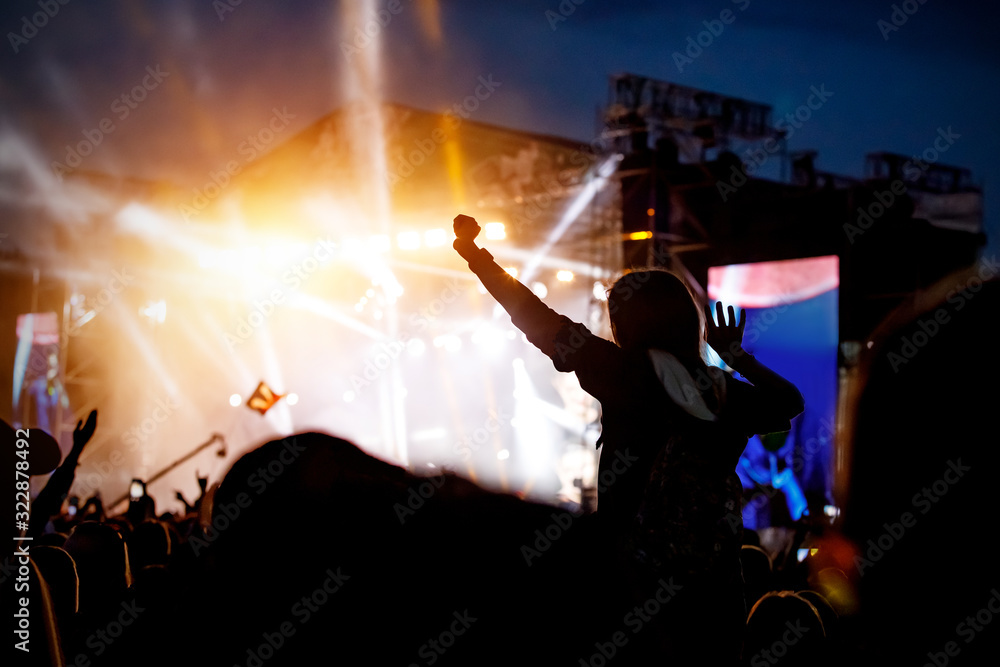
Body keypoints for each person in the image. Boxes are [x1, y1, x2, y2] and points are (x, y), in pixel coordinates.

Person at [451, 214, 804, 663]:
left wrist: (478, 259)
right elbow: (788, 401)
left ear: (627, 324)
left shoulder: (620, 371)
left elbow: (536, 318)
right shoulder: (720, 391)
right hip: (714, 585)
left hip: (632, 581)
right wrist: (736, 356)